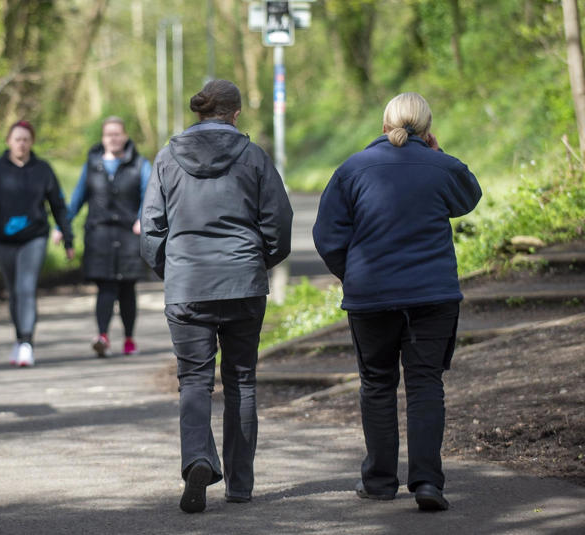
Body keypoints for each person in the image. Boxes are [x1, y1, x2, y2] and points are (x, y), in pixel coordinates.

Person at [312, 92, 481, 511]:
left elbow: (326, 235)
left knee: (377, 385)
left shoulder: (352, 169)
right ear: (428, 129)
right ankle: (427, 482)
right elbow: (469, 197)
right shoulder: (442, 167)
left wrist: (351, 275)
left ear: (384, 125)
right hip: (433, 295)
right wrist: (438, 153)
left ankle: (381, 480)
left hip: (371, 297)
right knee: (426, 385)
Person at [141, 79, 292, 513]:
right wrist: (258, 261)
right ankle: (240, 485)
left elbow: (152, 226)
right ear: (235, 113)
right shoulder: (253, 156)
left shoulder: (168, 157)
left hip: (188, 284)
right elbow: (279, 221)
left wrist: (171, 271)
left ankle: (198, 461)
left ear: (201, 113)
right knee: (241, 380)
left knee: (194, 380)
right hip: (242, 281)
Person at [0, 120, 73, 367]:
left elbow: (58, 205)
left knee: (26, 287)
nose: (21, 143)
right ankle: (19, 339)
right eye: (17, 138)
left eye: (26, 139)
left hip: (34, 237)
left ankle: (27, 343)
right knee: (13, 292)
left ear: (32, 142)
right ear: (8, 141)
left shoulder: (43, 169)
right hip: (2, 238)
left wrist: (67, 237)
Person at [58, 116, 151, 357]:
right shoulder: (92, 164)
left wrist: (143, 218)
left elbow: (150, 194)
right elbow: (77, 199)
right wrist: (62, 225)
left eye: (117, 134)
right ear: (103, 138)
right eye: (108, 134)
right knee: (106, 287)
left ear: (125, 137)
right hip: (99, 236)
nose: (113, 138)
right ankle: (103, 336)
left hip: (129, 235)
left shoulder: (140, 164)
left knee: (127, 289)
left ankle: (129, 339)